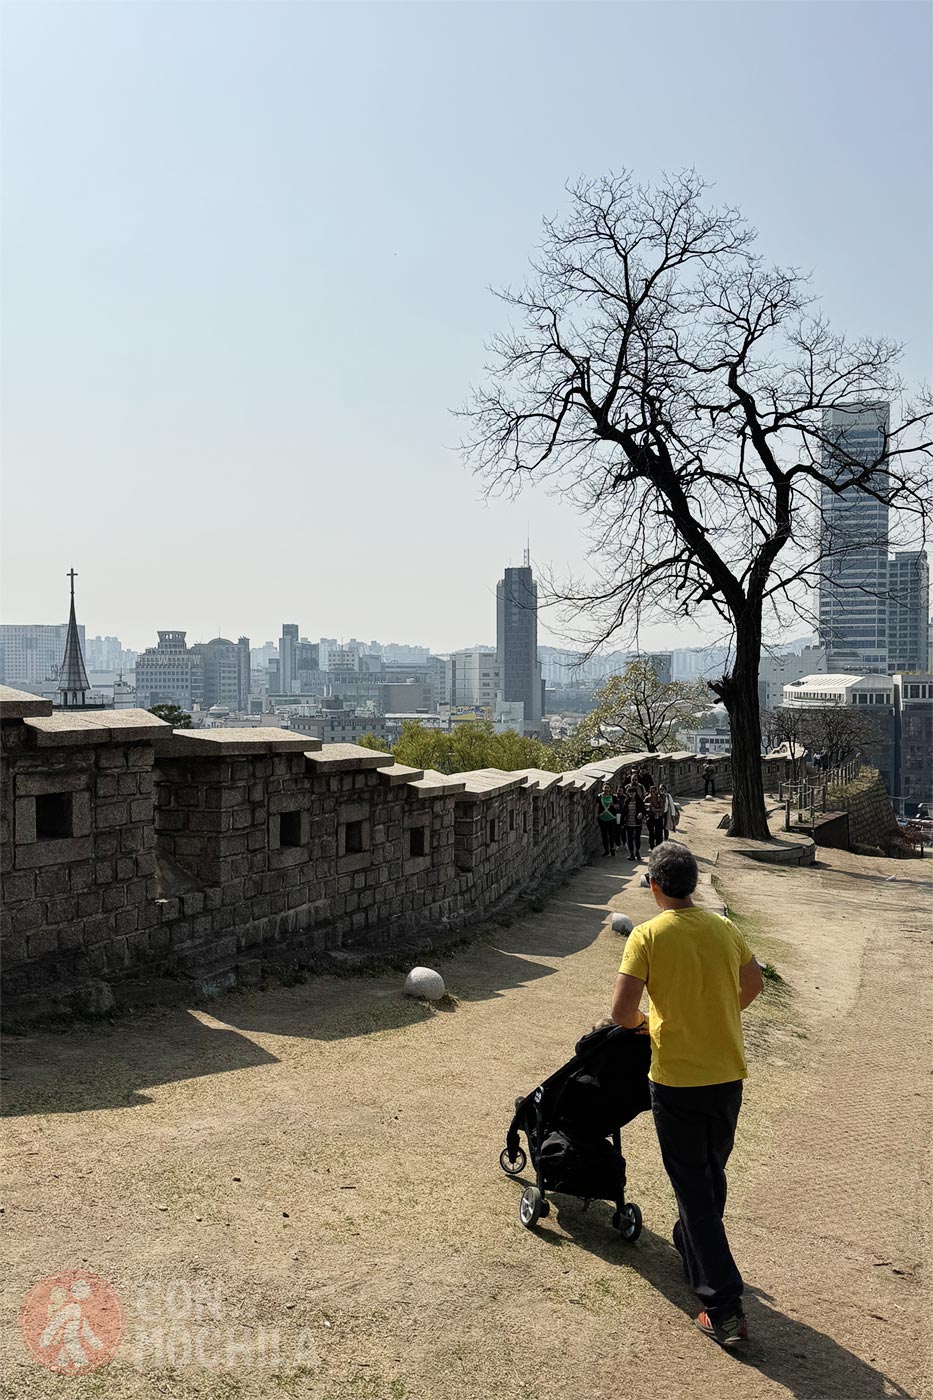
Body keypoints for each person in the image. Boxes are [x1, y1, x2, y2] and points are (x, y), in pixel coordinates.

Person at [609, 841, 764, 1349]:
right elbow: (753, 985)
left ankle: (723, 1309)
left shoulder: (648, 936)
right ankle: (692, 1245)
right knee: (711, 1175)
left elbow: (621, 1013)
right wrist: (718, 1013)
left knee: (694, 1188)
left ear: (654, 885)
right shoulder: (724, 928)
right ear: (693, 884)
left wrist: (646, 1024)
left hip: (676, 1079)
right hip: (726, 1075)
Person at [621, 783, 646, 861]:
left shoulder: (639, 801)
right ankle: (631, 854)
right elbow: (623, 812)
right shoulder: (627, 801)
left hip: (637, 823)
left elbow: (644, 810)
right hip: (628, 823)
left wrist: (641, 813)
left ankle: (637, 852)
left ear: (635, 793)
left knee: (637, 838)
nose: (631, 794)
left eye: (632, 792)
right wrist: (622, 822)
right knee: (630, 839)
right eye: (630, 793)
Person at [596, 783, 617, 857]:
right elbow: (597, 806)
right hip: (602, 818)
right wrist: (596, 815)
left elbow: (617, 807)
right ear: (602, 788)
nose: (606, 789)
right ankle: (606, 850)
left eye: (607, 788)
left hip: (612, 818)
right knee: (604, 835)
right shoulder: (599, 796)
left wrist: (613, 805)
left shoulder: (613, 797)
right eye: (605, 788)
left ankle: (612, 848)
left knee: (611, 834)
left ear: (610, 789)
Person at [645, 784, 666, 850]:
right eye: (651, 791)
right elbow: (643, 805)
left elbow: (662, 809)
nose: (652, 793)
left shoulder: (659, 799)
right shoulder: (647, 798)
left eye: (653, 791)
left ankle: (658, 846)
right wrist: (648, 807)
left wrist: (655, 809)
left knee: (658, 832)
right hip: (650, 817)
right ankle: (651, 846)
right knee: (651, 832)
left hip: (658, 816)